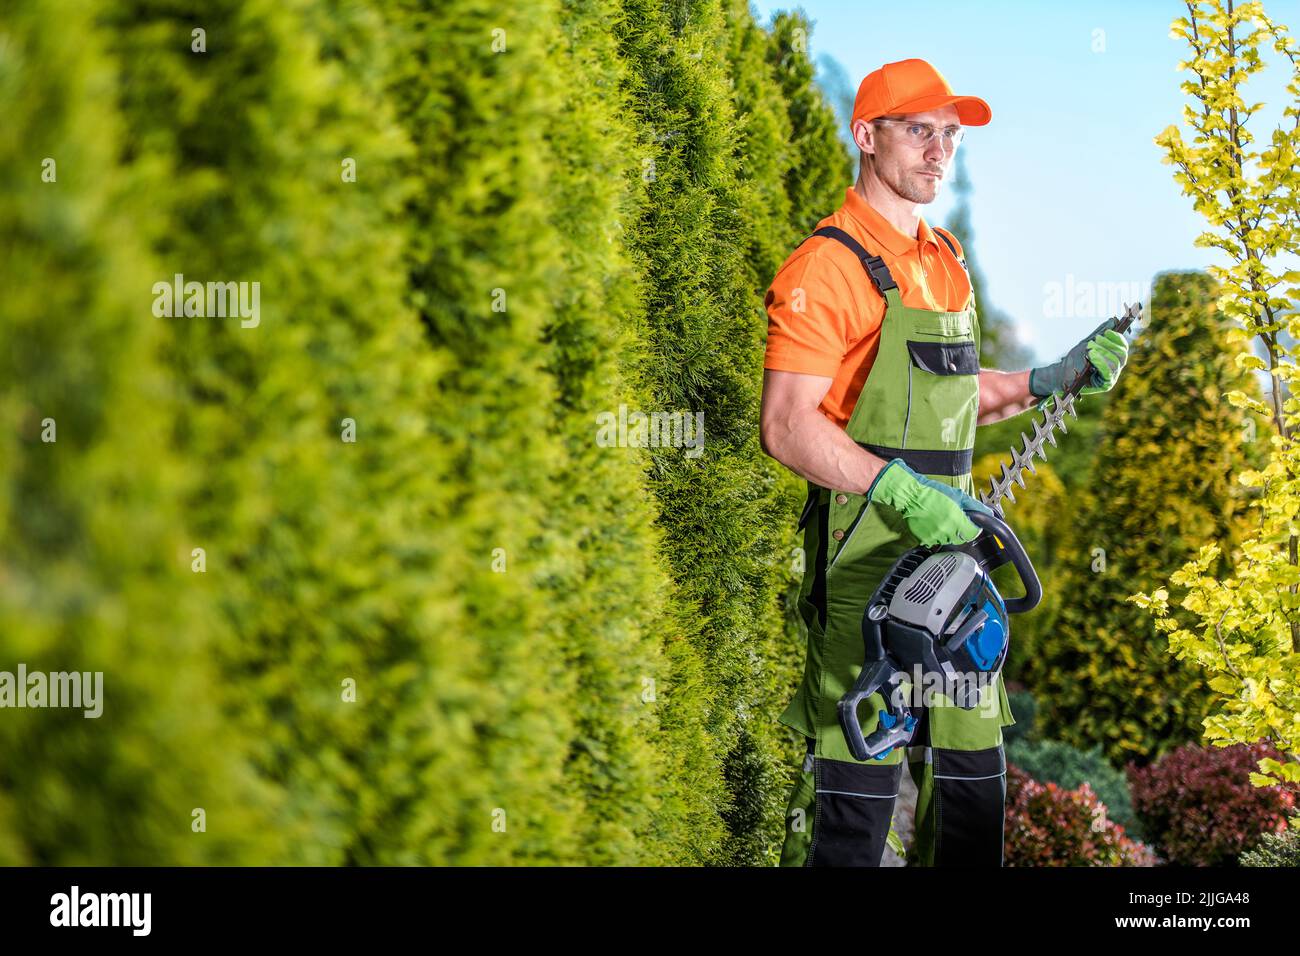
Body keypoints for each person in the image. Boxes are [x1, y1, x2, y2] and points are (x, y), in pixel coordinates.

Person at [759, 57, 1129, 866]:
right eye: (920, 130)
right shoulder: (827, 266)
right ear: (866, 135)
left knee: (971, 794)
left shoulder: (943, 257)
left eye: (951, 136)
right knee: (851, 805)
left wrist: (1048, 379)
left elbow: (958, 394)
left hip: (956, 575)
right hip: (866, 566)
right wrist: (900, 490)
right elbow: (786, 427)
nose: (939, 150)